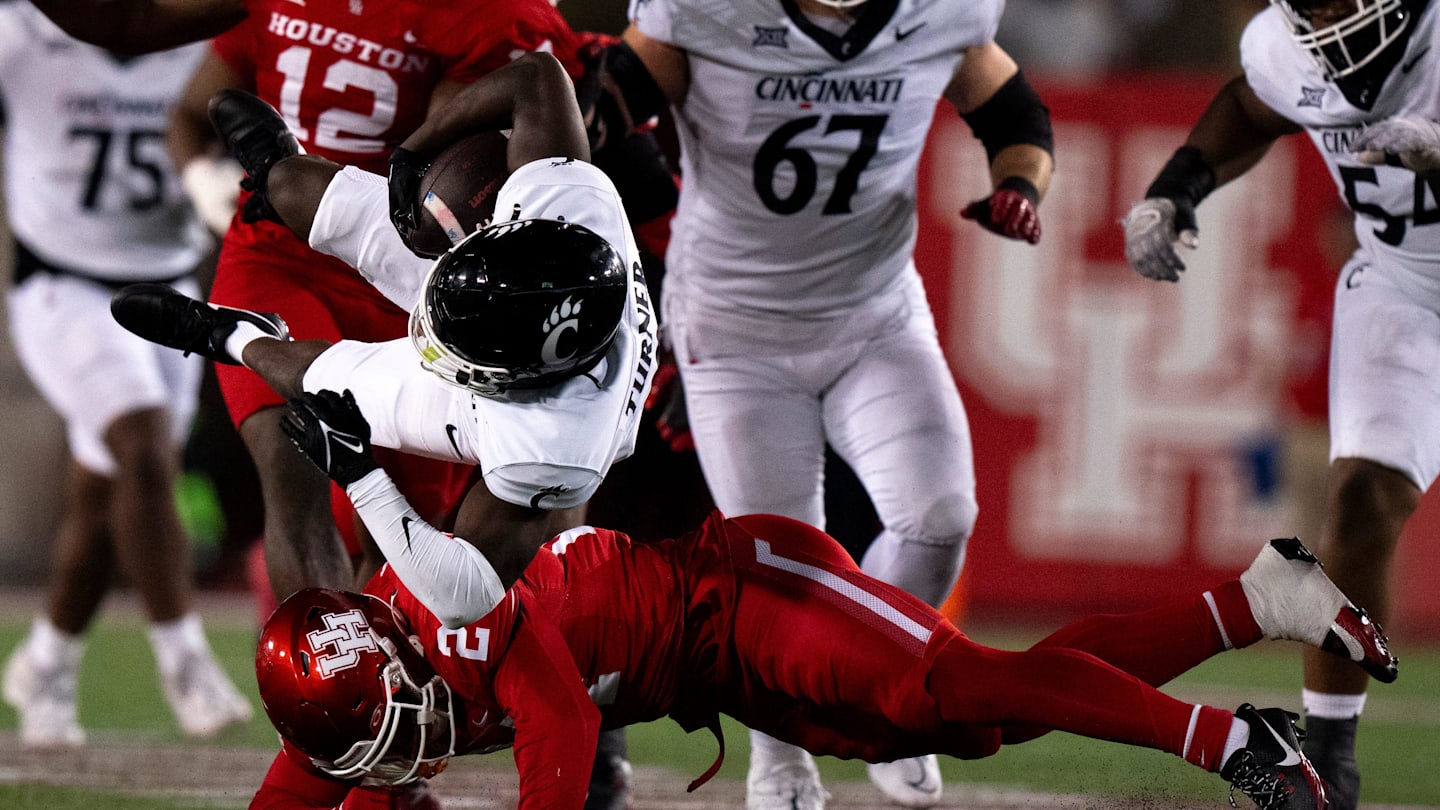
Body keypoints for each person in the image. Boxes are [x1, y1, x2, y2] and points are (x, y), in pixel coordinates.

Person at [577, 0, 1056, 805]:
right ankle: (781, 759)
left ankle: (889, 701)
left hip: (875, 314)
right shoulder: (707, 12)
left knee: (940, 519)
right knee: (785, 567)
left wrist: (1018, 182)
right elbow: (607, 104)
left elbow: (1013, 110)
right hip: (735, 328)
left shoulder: (941, 13)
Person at [246, 477, 1400, 809]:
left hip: (741, 591)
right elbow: (304, 791)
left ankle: (1231, 738)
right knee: (990, 718)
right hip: (713, 674)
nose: (409, 754)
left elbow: (558, 732)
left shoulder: (463, 612)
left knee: (949, 682)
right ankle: (1257, 602)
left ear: (394, 646)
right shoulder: (350, 695)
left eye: (399, 726)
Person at [1121, 1, 1437, 806]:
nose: (1328, 16)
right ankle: (1330, 759)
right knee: (1361, 500)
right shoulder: (1283, 46)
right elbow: (1250, 104)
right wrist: (1180, 182)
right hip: (1407, 290)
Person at [0, 3, 253, 747]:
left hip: (171, 285)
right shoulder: (21, 30)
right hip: (63, 284)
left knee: (110, 492)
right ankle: (184, 658)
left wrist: (221, 175)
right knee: (143, 450)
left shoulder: (205, 36)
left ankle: (46, 661)